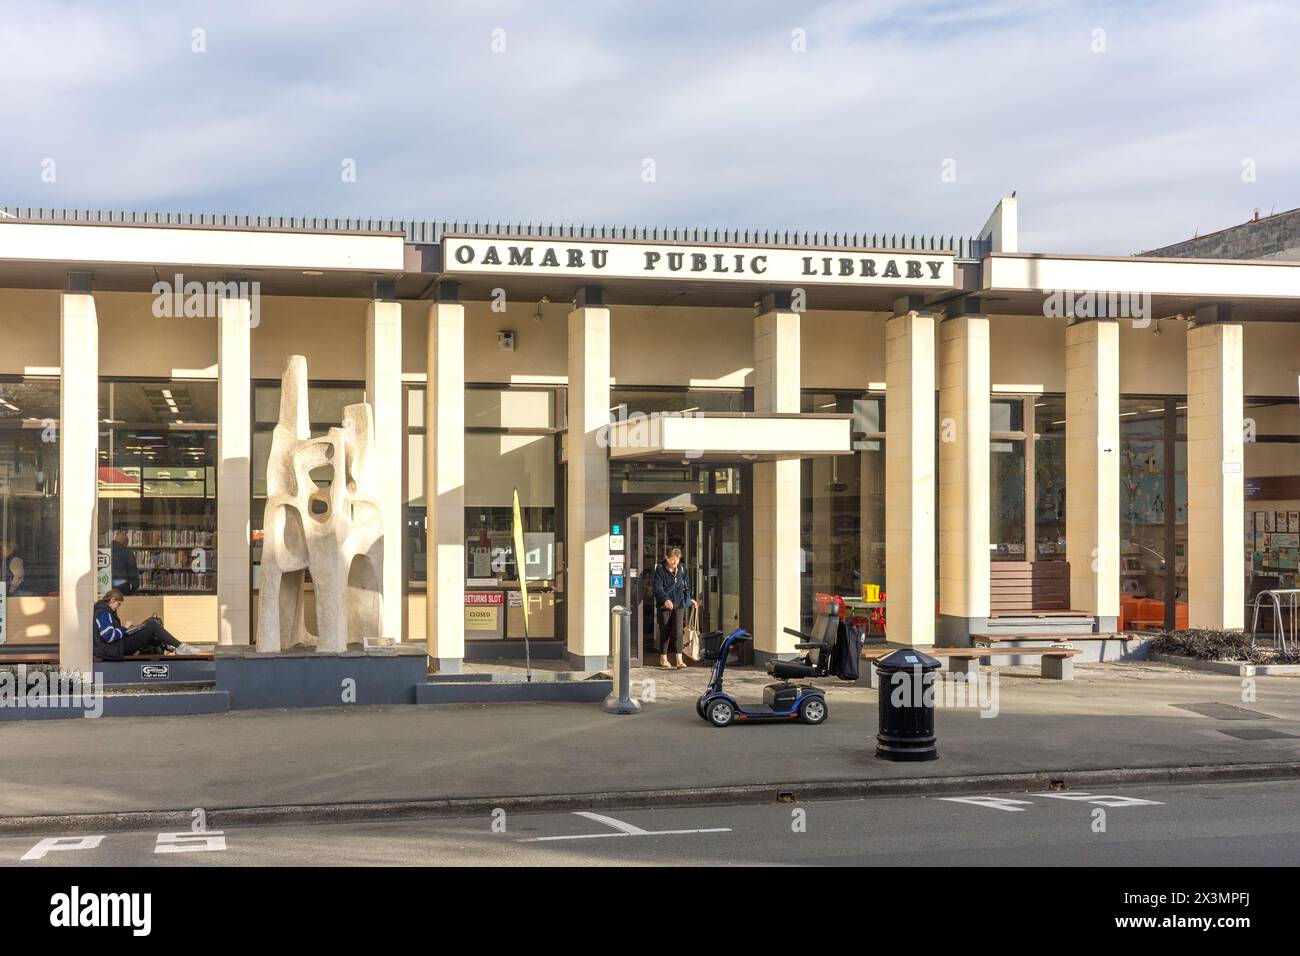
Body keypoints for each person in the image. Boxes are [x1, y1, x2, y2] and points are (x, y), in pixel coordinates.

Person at [92, 589, 201, 660]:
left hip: (116, 646)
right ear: (112, 600)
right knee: (152, 625)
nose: (118, 607)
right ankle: (179, 646)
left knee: (146, 627)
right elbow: (109, 637)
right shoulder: (103, 613)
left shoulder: (104, 612)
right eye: (118, 604)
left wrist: (129, 630)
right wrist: (124, 627)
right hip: (115, 649)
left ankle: (172, 646)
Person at [653, 546, 698, 670]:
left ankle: (679, 659)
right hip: (665, 605)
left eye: (677, 559)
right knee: (665, 630)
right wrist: (665, 599)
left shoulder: (682, 569)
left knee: (678, 631)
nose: (675, 562)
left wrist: (690, 599)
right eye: (672, 559)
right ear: (666, 558)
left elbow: (686, 586)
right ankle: (663, 657)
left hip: (679, 604)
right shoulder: (661, 569)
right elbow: (657, 587)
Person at [110, 531, 140, 595]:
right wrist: (134, 589)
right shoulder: (128, 553)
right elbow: (133, 573)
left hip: (107, 586)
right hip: (122, 588)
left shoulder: (106, 551)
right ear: (125, 543)